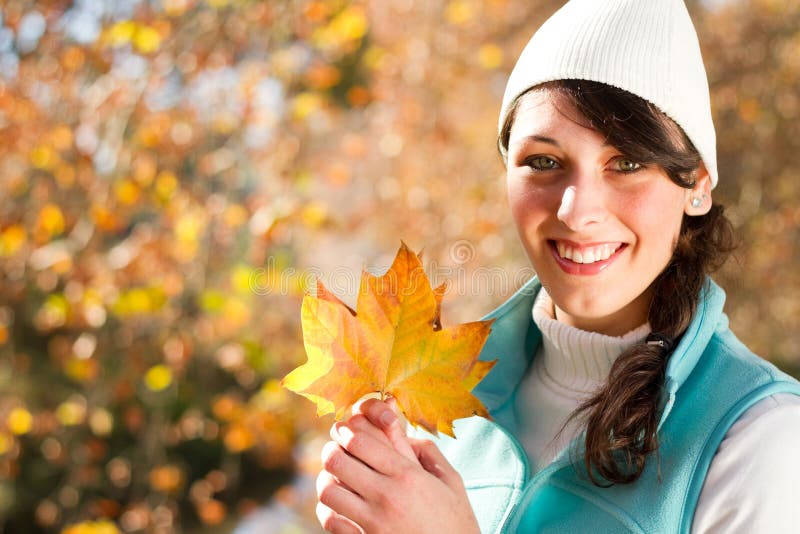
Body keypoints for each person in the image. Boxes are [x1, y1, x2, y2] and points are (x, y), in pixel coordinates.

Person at [314, 0, 800, 532]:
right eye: (543, 162)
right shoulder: (440, 408)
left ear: (698, 186)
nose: (576, 211)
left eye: (628, 163)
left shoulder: (760, 438)